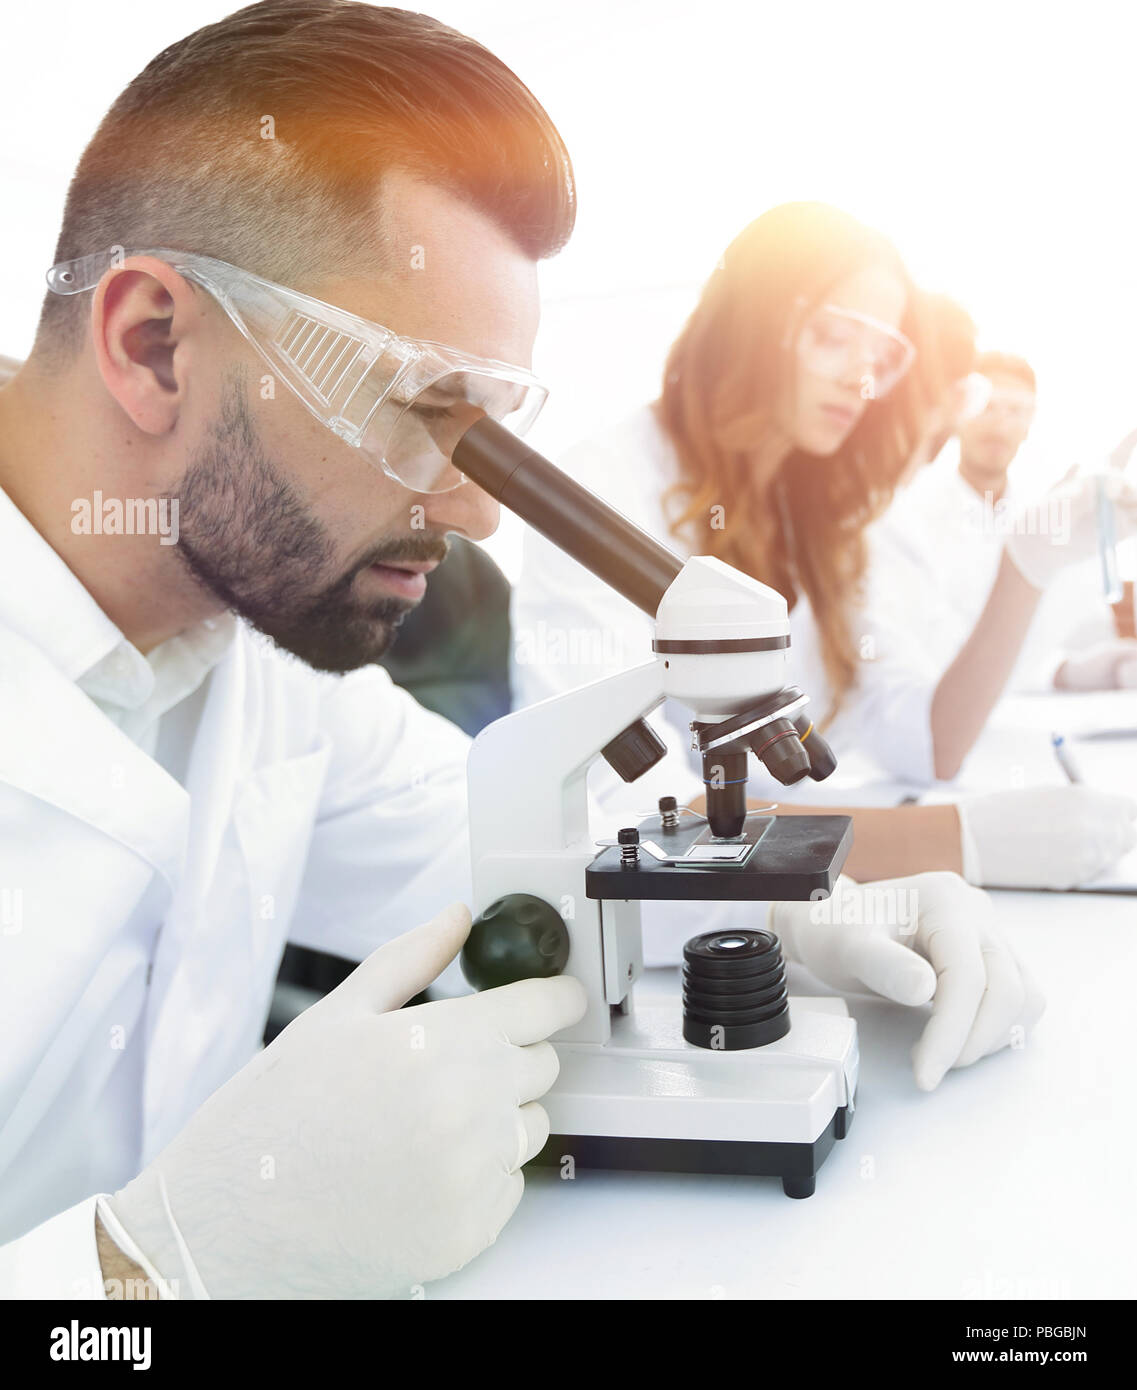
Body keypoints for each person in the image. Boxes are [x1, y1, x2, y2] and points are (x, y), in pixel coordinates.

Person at [0, 8, 1051, 1301]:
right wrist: (141, 1275)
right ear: (155, 343)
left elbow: (513, 857)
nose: (479, 509)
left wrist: (795, 909)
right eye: (427, 412)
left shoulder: (255, 659)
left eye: (497, 435)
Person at [511, 204, 1137, 944]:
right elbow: (621, 823)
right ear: (749, 320)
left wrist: (1024, 568)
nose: (863, 375)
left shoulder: (817, 510)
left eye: (885, 351)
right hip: (689, 949)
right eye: (834, 335)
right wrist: (955, 841)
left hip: (803, 913)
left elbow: (930, 742)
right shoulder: (602, 487)